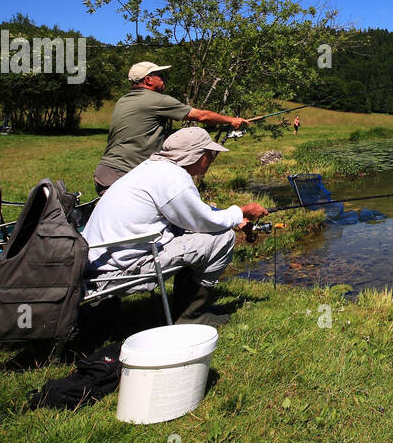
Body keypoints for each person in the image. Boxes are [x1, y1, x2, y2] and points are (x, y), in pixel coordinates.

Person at [83, 127, 268, 326]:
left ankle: (183, 304)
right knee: (223, 237)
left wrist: (233, 217)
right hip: (116, 272)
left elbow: (192, 213)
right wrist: (242, 212)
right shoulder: (173, 179)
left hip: (94, 264)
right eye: (211, 154)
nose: (212, 159)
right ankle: (192, 316)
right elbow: (203, 222)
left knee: (204, 232)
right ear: (197, 156)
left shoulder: (153, 167)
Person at [93, 61, 250, 195]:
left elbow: (143, 131)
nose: (163, 80)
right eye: (160, 76)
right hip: (126, 174)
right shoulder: (156, 100)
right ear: (148, 80)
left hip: (105, 172)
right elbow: (201, 116)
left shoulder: (123, 100)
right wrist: (231, 120)